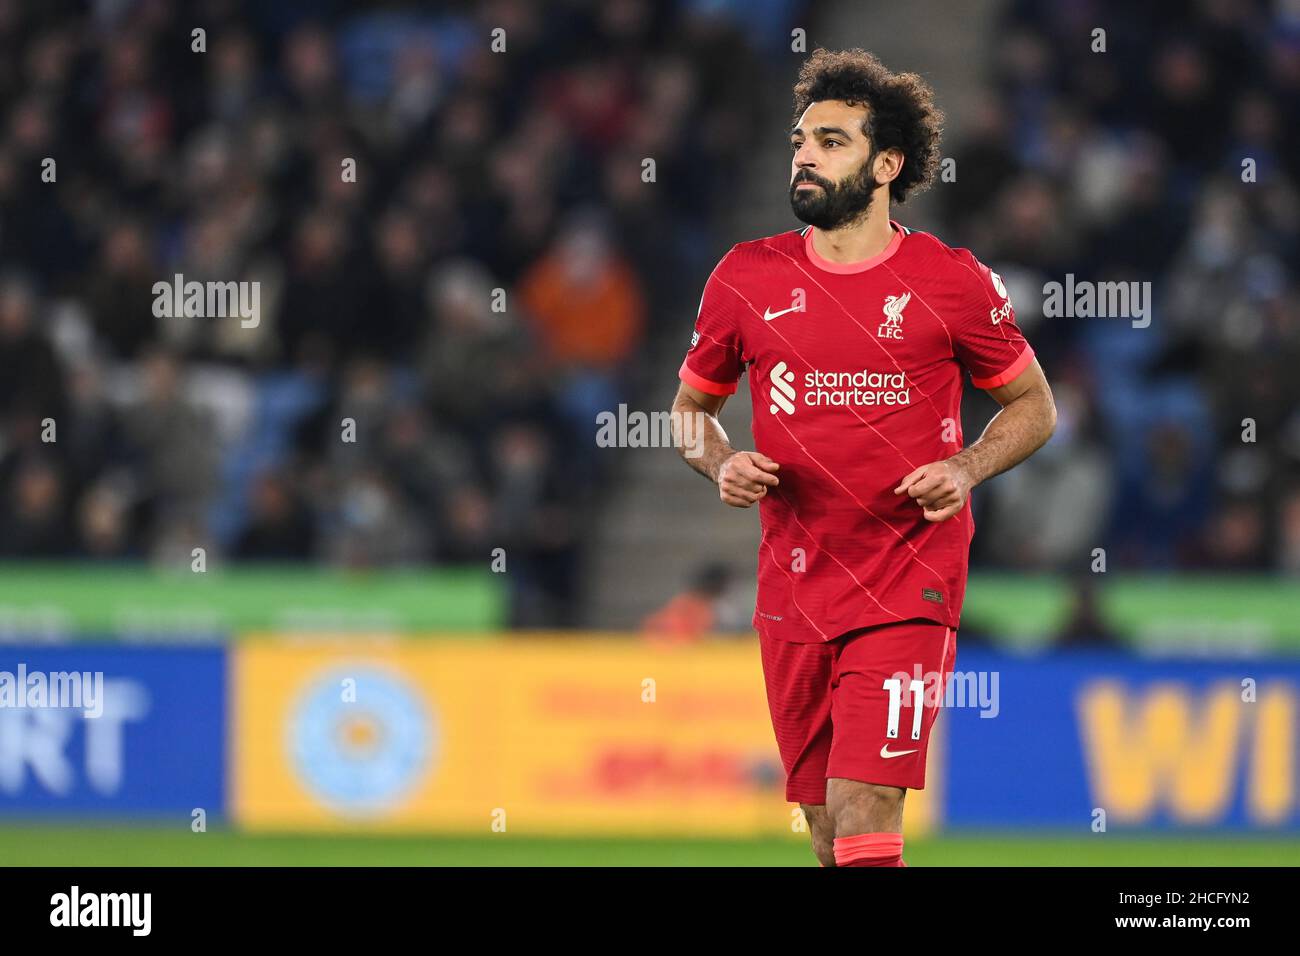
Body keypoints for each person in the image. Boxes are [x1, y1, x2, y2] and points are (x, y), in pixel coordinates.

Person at [670, 49, 1057, 867]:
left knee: (865, 804)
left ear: (886, 165)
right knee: (824, 828)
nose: (805, 156)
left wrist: (966, 467)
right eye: (799, 141)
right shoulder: (745, 276)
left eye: (831, 141)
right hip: (795, 583)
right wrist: (720, 463)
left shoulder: (949, 281)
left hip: (906, 578)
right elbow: (691, 411)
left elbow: (1034, 405)